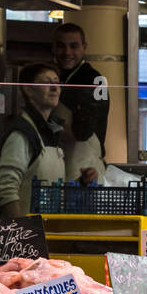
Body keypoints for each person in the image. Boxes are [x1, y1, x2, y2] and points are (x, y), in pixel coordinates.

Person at [0, 63, 75, 218]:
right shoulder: (20, 134)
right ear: (28, 90)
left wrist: (81, 182)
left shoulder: (52, 130)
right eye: (46, 83)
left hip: (48, 230)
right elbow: (7, 190)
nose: (54, 88)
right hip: (27, 236)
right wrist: (22, 235)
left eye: (57, 82)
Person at [53, 22, 108, 184]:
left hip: (86, 166)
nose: (67, 52)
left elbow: (82, 132)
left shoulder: (94, 79)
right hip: (61, 163)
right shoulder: (56, 76)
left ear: (84, 47)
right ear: (53, 47)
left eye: (74, 46)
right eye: (61, 46)